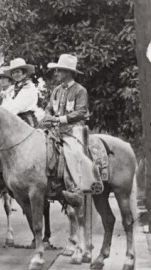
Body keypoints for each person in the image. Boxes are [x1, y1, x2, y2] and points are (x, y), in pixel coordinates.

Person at [43, 53, 103, 198]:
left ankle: (76, 187)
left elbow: (81, 112)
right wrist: (48, 116)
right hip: (55, 130)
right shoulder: (56, 90)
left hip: (74, 130)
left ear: (68, 73)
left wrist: (60, 119)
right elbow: (49, 108)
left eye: (59, 70)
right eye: (57, 70)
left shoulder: (80, 90)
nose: (56, 73)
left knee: (74, 152)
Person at [0, 58, 40, 127]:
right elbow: (6, 105)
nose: (15, 75)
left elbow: (17, 107)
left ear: (24, 73)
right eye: (13, 73)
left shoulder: (29, 87)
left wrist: (0, 115)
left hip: (27, 122)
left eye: (18, 72)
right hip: (14, 120)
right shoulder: (13, 89)